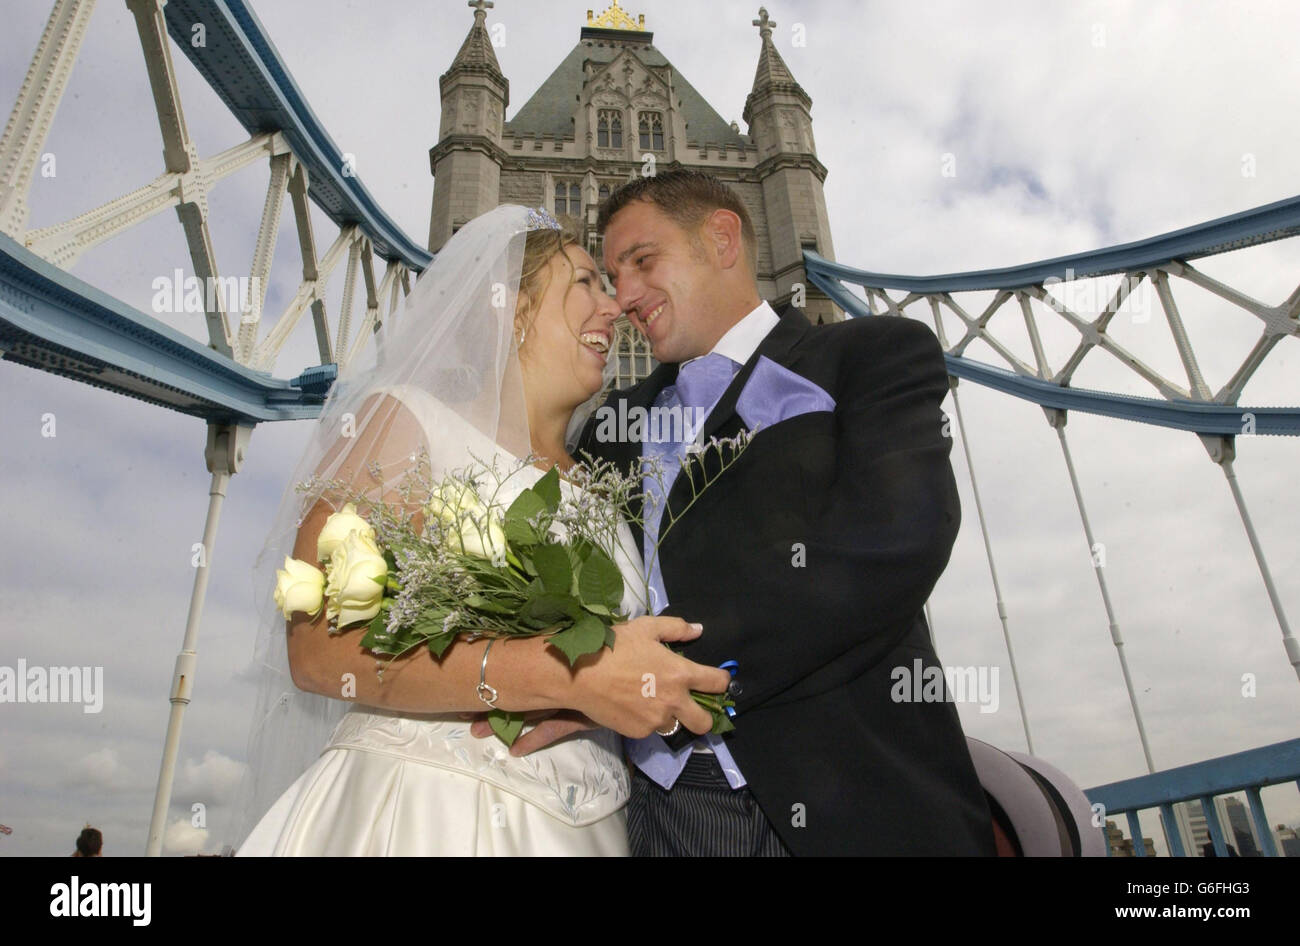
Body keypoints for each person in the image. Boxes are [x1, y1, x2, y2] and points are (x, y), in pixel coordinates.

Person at [514, 169, 997, 855]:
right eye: (610, 277)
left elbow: (899, 541)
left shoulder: (870, 353)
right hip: (653, 816)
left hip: (851, 799)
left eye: (642, 263)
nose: (622, 299)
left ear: (721, 238)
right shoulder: (608, 426)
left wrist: (663, 678)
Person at [233, 205, 729, 856]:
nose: (614, 309)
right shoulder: (402, 425)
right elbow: (319, 647)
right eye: (584, 283)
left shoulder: (608, 494)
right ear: (509, 308)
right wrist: (570, 679)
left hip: (597, 830)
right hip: (425, 815)